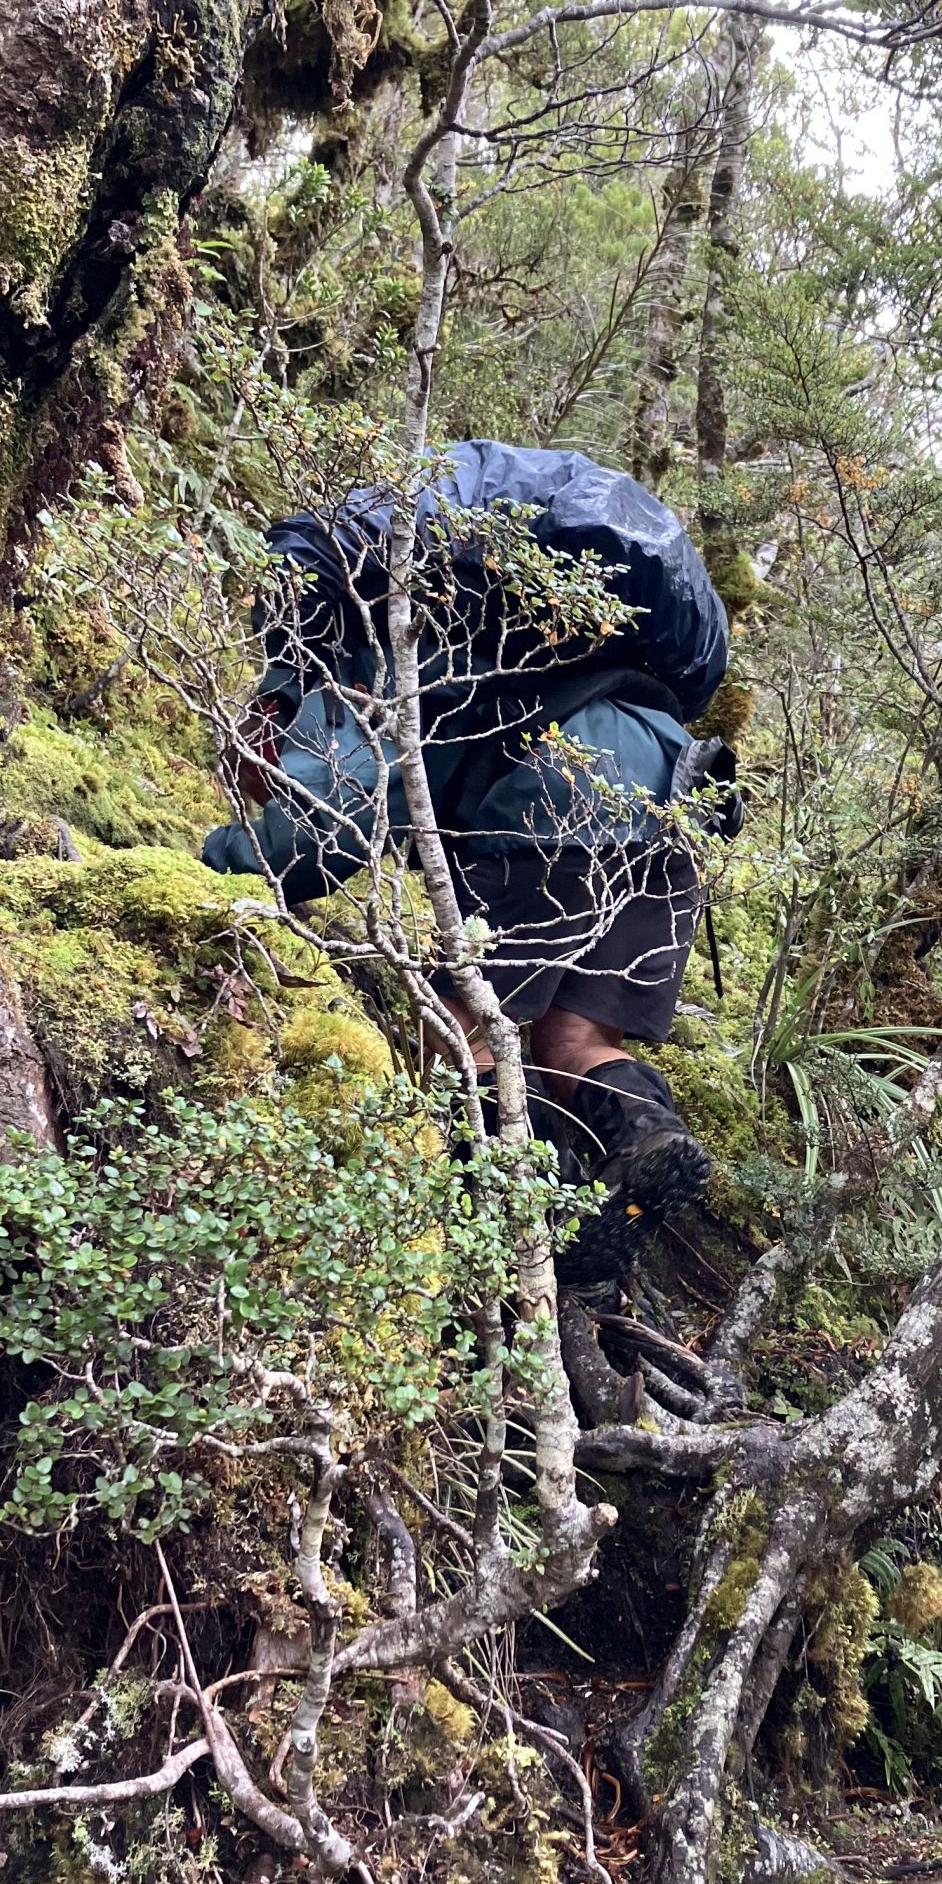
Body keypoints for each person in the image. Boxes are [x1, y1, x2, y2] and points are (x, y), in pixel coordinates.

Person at [202, 441, 737, 1289]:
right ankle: (641, 1138)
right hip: (682, 799)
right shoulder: (543, 637)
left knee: (461, 1026)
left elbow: (328, 826)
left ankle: (497, 1241)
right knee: (575, 1037)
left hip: (556, 800)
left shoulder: (382, 655)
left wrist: (212, 863)